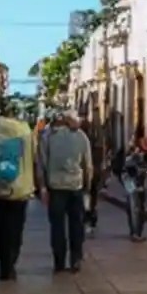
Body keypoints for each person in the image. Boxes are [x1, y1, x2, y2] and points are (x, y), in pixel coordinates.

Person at [0, 112, 39, 281]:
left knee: (0, 230)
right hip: (20, 190)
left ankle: (3, 264)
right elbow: (34, 157)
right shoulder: (25, 132)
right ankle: (12, 262)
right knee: (16, 229)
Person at [37, 112, 92, 273]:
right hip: (76, 187)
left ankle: (59, 261)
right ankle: (76, 258)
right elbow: (87, 164)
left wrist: (42, 187)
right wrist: (87, 186)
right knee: (77, 224)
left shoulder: (47, 136)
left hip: (56, 188)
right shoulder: (81, 136)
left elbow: (41, 164)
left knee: (57, 226)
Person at [115, 131, 147, 242]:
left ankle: (136, 231)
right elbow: (119, 166)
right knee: (134, 207)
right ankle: (135, 232)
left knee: (138, 207)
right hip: (131, 182)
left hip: (140, 182)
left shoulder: (145, 152)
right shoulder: (128, 151)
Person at [79, 117, 109, 235]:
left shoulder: (81, 142)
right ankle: (90, 218)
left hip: (85, 176)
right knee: (92, 198)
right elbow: (101, 161)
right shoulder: (97, 144)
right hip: (92, 175)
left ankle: (87, 218)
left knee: (85, 198)